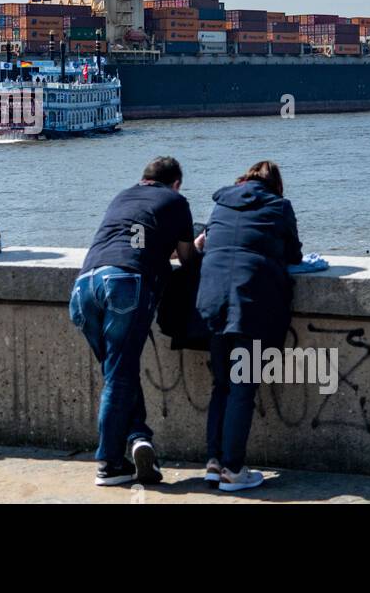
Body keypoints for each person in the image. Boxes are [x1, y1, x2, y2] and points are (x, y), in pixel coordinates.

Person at [70, 156, 197, 486]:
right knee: (120, 376)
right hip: (125, 283)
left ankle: (139, 438)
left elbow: (133, 241)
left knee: (118, 372)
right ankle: (109, 464)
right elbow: (187, 259)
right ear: (176, 183)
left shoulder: (121, 196)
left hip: (85, 286)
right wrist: (196, 244)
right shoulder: (176, 201)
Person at [196, 160, 303, 492]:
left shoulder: (221, 203)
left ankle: (214, 463)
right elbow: (295, 255)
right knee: (242, 386)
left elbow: (207, 243)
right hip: (251, 305)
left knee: (222, 385)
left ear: (243, 179)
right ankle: (233, 470)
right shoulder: (279, 206)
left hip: (213, 302)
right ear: (276, 185)